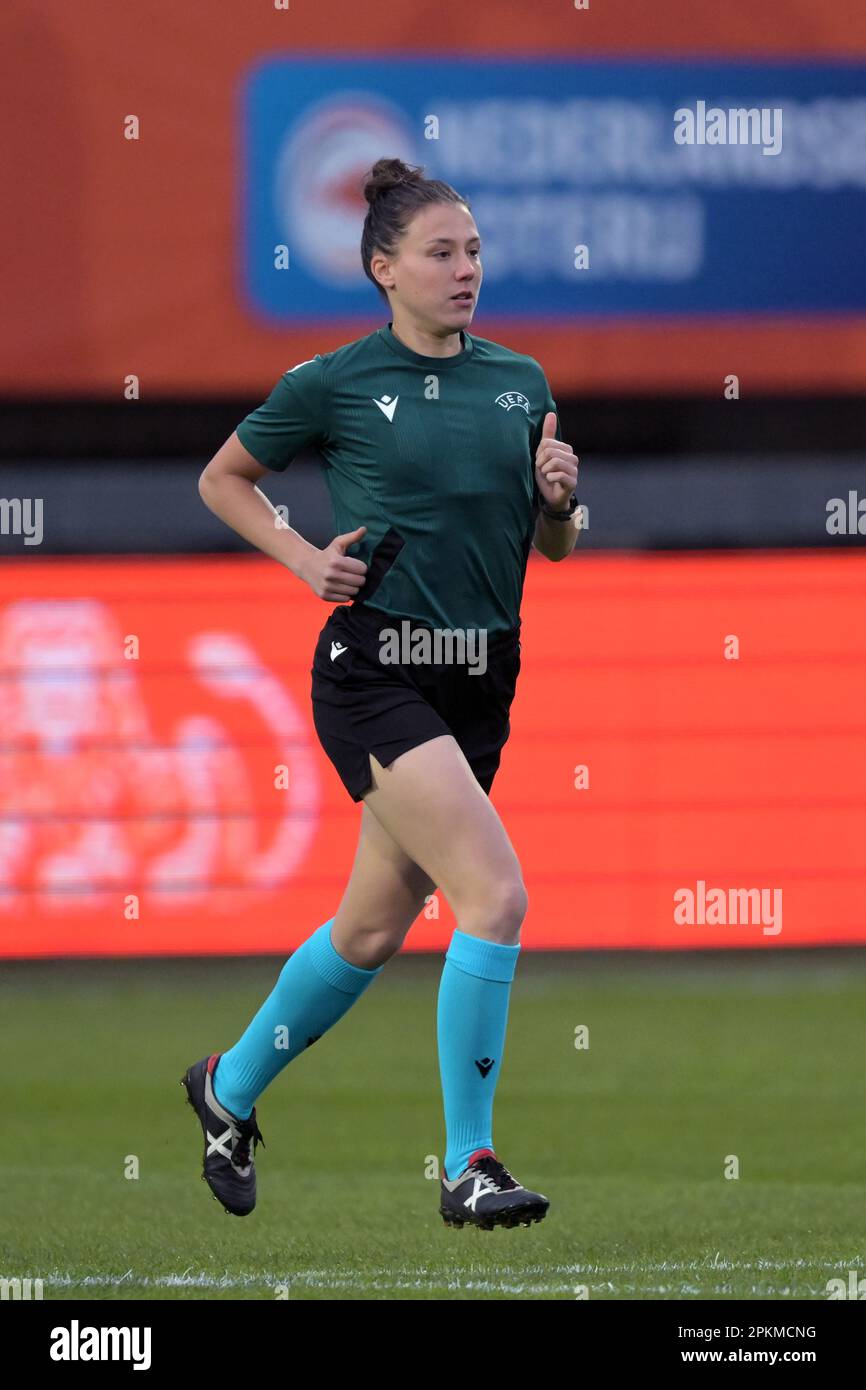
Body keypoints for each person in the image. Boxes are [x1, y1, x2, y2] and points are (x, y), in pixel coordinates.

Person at [182, 157, 580, 1230]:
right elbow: (223, 478)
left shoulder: (520, 381)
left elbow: (551, 549)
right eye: (441, 253)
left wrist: (559, 505)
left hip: (480, 678)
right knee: (492, 895)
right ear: (382, 269)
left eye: (474, 252)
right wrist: (305, 562)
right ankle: (468, 1164)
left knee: (368, 931)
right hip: (376, 669)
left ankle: (224, 1089)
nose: (465, 271)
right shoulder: (334, 381)